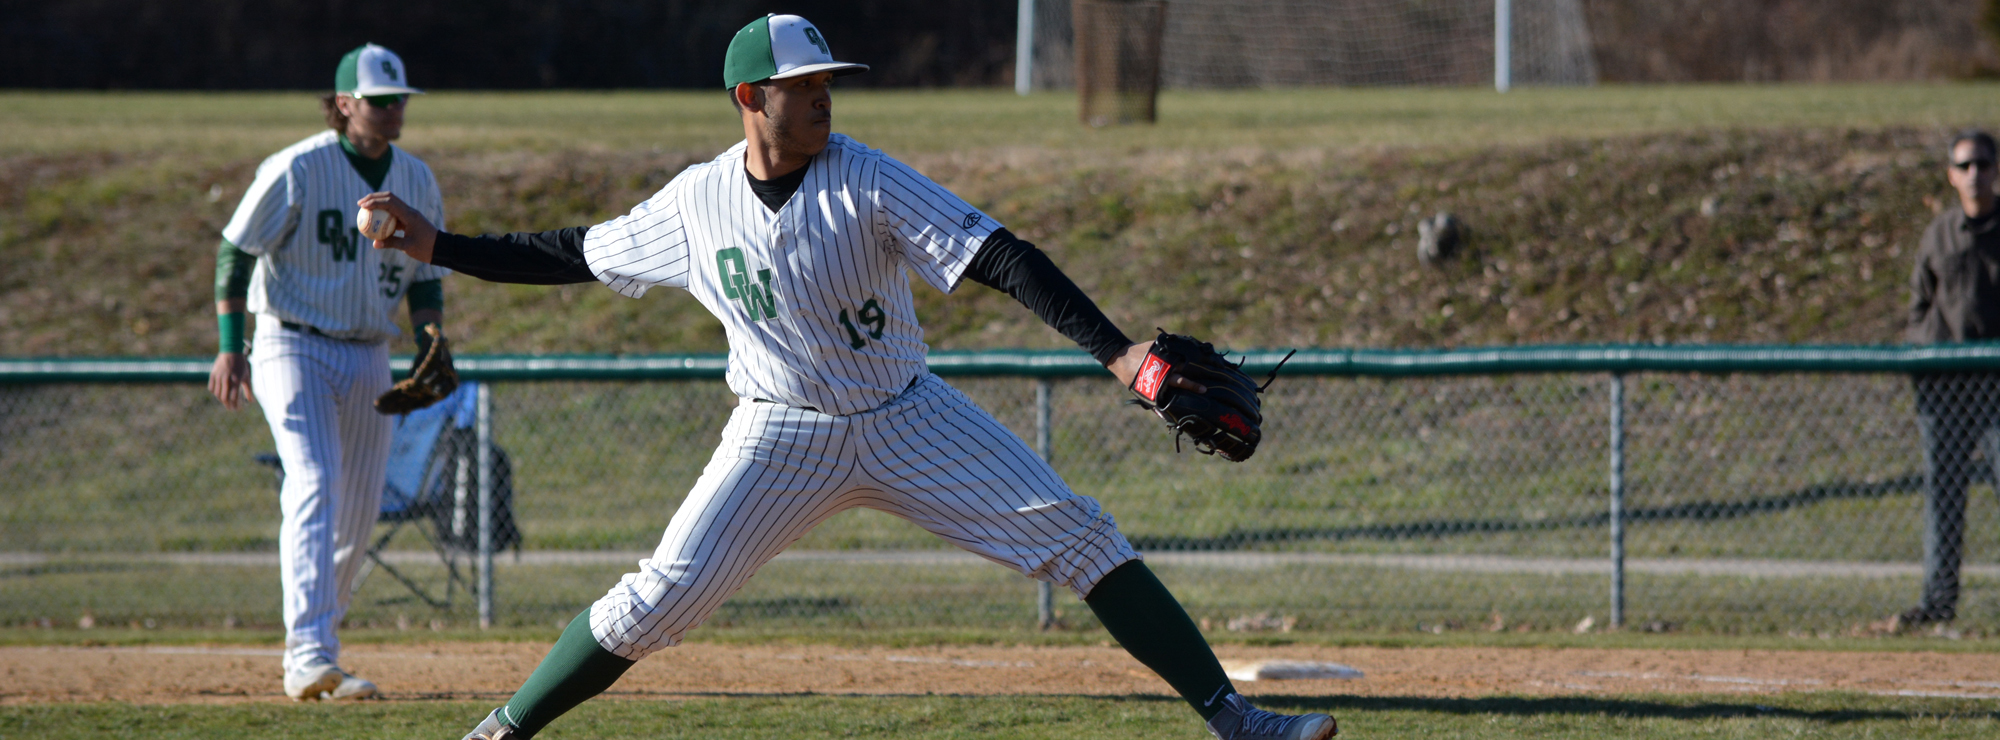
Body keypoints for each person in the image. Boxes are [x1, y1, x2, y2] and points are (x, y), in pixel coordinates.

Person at [363, 14, 1334, 740]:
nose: (825, 96)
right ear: (749, 99)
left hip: (906, 413)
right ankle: (502, 728)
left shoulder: (865, 176)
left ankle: (1235, 719)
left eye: (829, 80)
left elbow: (999, 253)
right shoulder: (698, 202)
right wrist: (438, 243)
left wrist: (1118, 351)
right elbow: (573, 251)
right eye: (803, 84)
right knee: (657, 598)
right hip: (778, 430)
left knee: (1081, 534)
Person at [208, 42, 451, 700]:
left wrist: (431, 339)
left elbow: (425, 278)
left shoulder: (417, 179)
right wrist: (232, 345)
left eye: (399, 100)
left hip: (370, 348)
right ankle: (308, 655)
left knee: (360, 507)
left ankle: (322, 646)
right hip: (292, 343)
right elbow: (235, 252)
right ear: (345, 105)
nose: (393, 110)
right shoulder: (297, 169)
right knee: (315, 480)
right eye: (379, 101)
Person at [1903, 129, 2000, 628]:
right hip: (1945, 388)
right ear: (1950, 175)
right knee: (1943, 496)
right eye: (1964, 166)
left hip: (1996, 384)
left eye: (1983, 164)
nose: (1974, 174)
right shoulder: (1939, 234)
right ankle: (1937, 605)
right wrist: (1925, 352)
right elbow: (1918, 305)